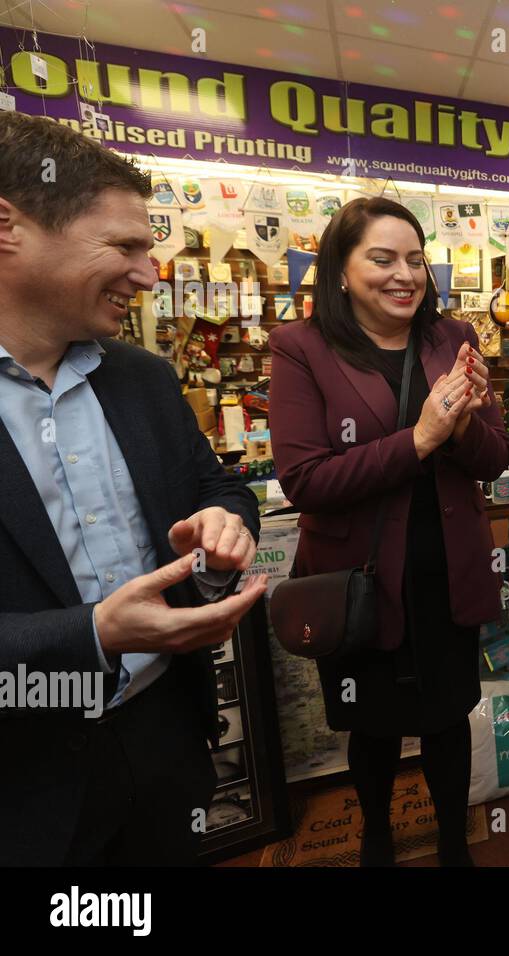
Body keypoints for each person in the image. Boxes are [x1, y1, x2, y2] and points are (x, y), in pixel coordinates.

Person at [0, 112, 266, 866]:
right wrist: (91, 635)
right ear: (8, 227)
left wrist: (224, 527)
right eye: (124, 247)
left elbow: (217, 486)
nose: (150, 275)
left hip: (163, 742)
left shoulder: (143, 380)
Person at [270, 198, 509, 866]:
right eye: (381, 259)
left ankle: (452, 847)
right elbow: (306, 480)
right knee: (371, 725)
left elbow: (496, 458)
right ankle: (376, 834)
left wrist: (463, 430)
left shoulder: (450, 337)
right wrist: (422, 437)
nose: (404, 274)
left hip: (445, 570)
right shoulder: (302, 348)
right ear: (341, 272)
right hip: (361, 581)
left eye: (414, 259)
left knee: (447, 717)